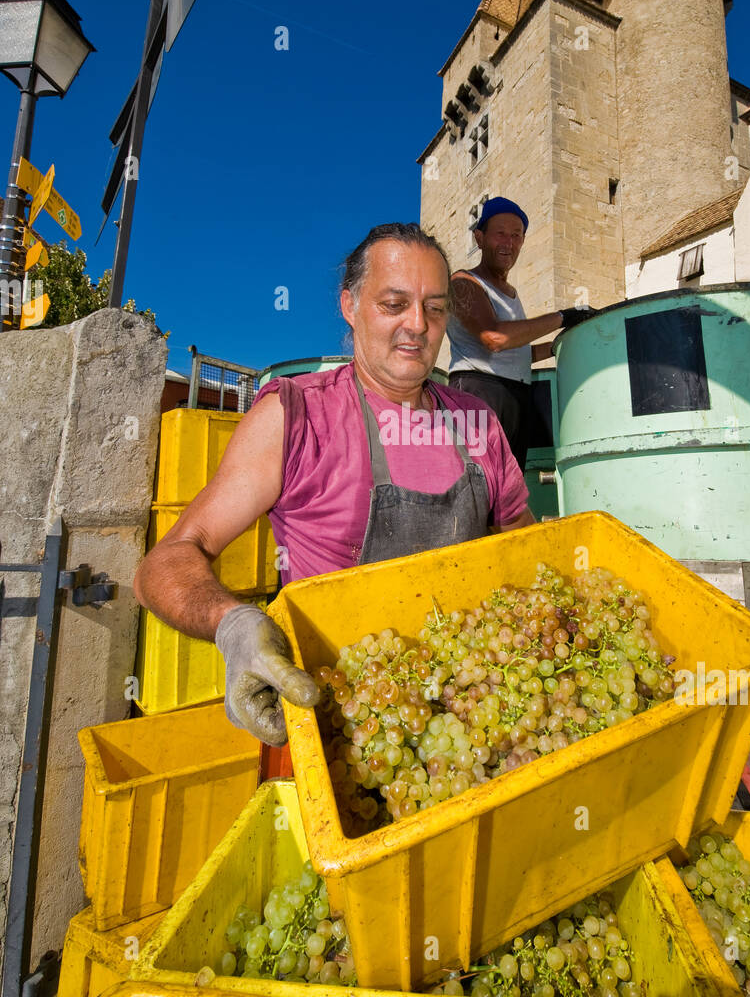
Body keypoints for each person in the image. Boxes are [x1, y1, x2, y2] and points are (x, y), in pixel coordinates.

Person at [133, 222, 533, 748]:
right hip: (341, 722)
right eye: (394, 304)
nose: (417, 325)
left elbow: (528, 553)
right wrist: (232, 626)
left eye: (435, 309)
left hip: (469, 720)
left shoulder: (478, 423)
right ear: (350, 306)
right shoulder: (295, 415)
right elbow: (167, 561)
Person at [447, 196, 591, 469]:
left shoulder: (512, 294)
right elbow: (495, 337)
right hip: (478, 393)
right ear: (479, 238)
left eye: (516, 236)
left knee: (509, 492)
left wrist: (563, 343)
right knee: (479, 485)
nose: (508, 243)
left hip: (517, 397)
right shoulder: (464, 282)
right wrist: (563, 317)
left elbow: (518, 353)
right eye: (500, 234)